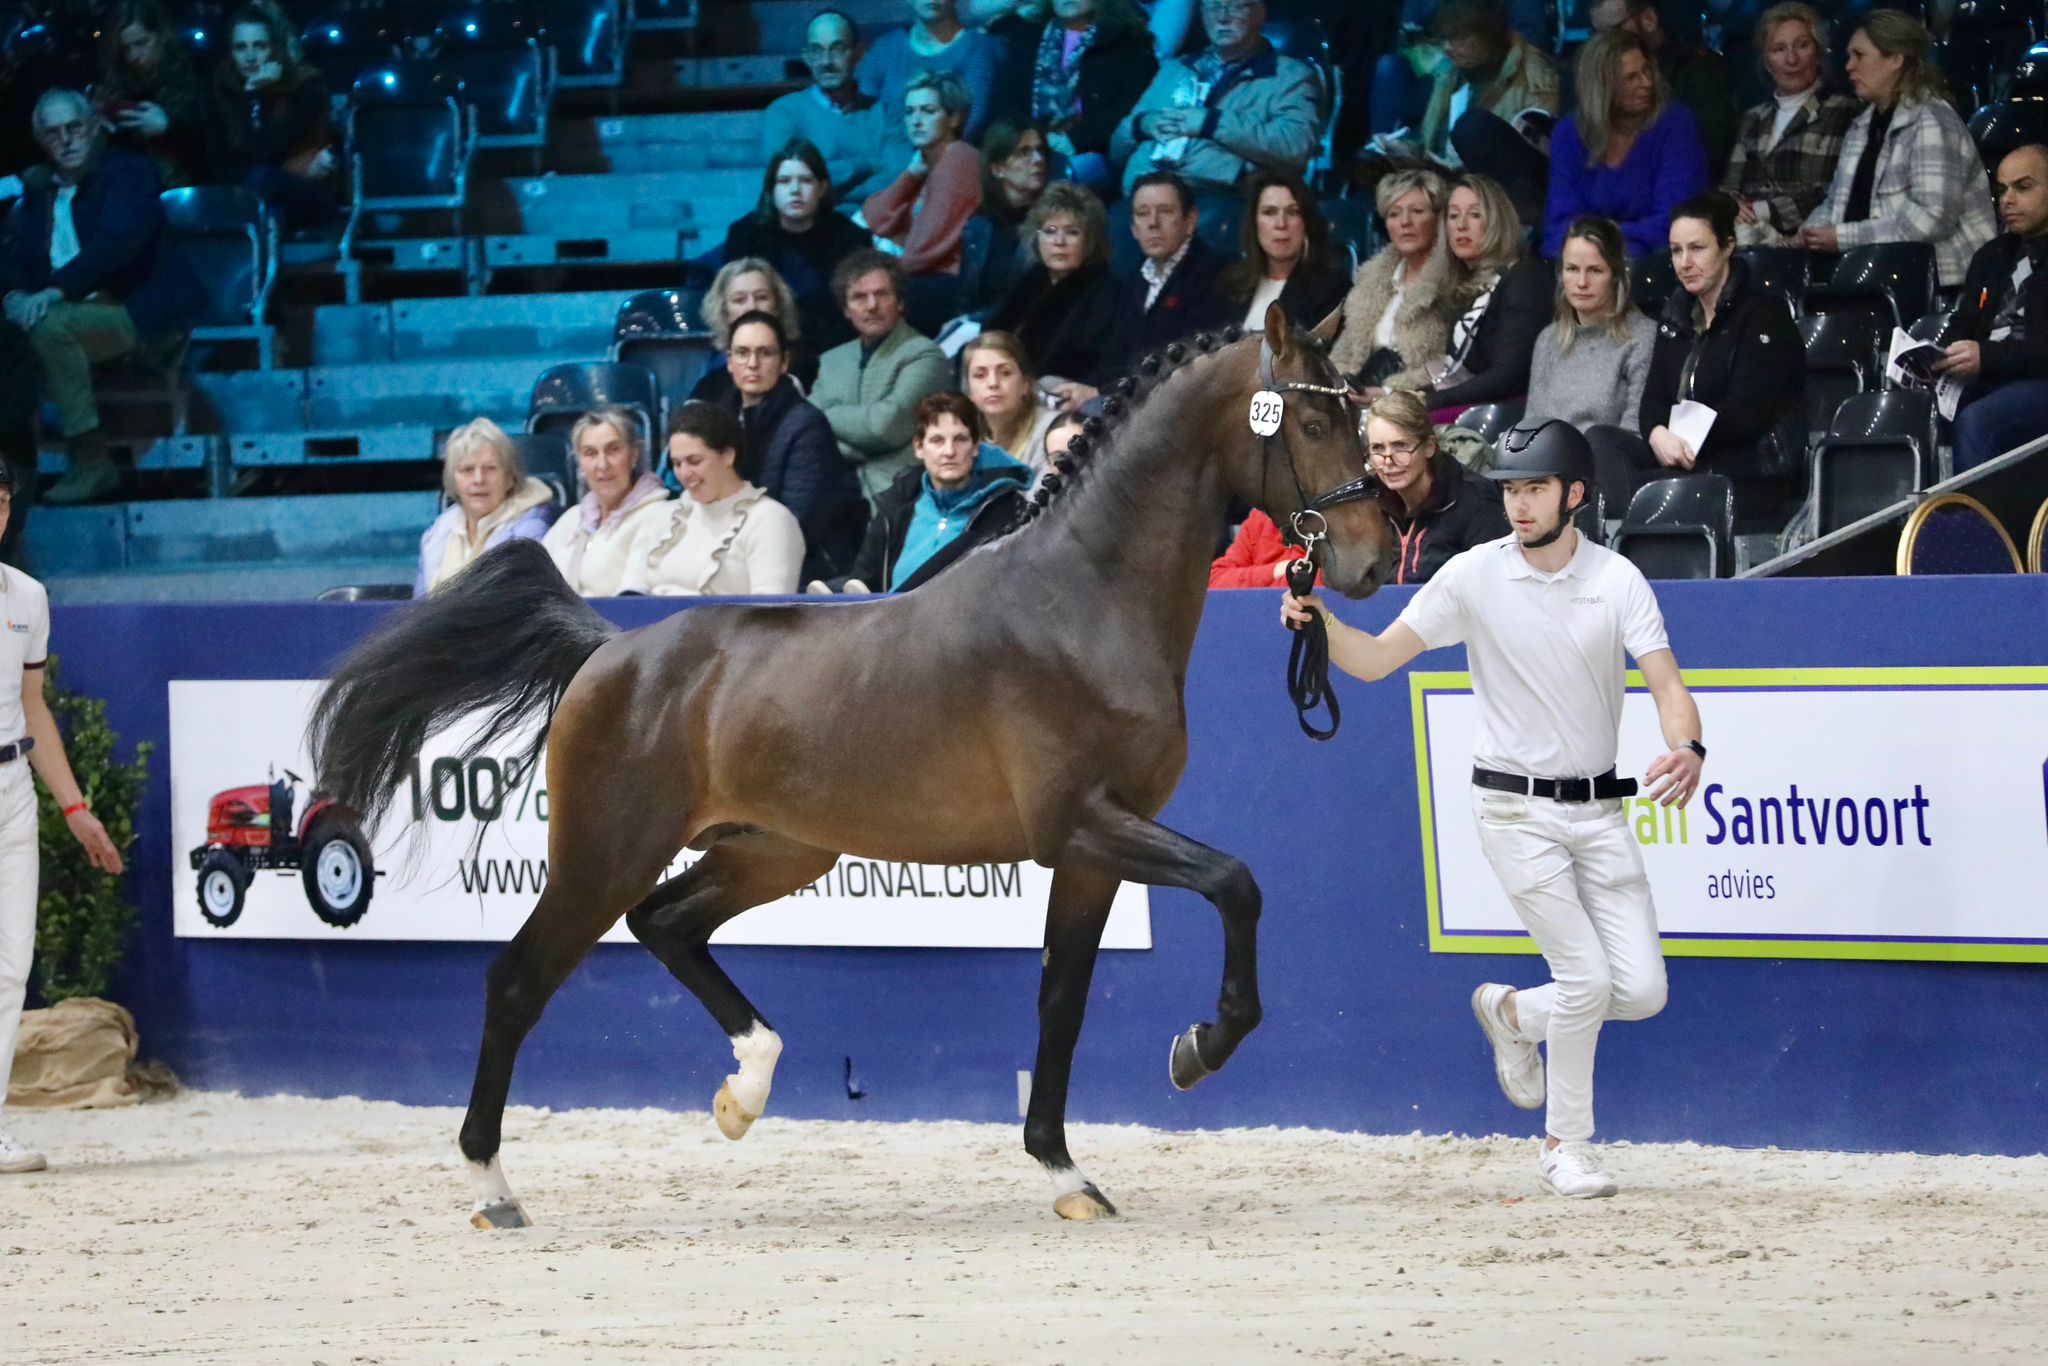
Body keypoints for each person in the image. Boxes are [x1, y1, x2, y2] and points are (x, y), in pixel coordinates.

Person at [1280, 419, 1704, 1200]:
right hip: (1513, 812)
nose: (1519, 504)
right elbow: (1376, 661)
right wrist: (1323, 625)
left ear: (1574, 495)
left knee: (1641, 992)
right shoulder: (1473, 575)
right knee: (1584, 980)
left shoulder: (1618, 580)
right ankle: (1566, 1147)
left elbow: (1667, 683)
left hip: (1600, 813)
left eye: (1536, 488)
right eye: (1511, 490)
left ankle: (1511, 1014)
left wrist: (1689, 747)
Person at [0, 451, 128, 1176]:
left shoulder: (28, 596)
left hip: (12, 783)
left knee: (11, 964)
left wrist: (75, 807)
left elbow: (32, 706)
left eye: (1, 503)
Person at [0, 89, 205, 507]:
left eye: (74, 127)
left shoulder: (128, 172)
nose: (66, 140)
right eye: (53, 132)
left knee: (47, 323)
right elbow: (16, 255)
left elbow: (118, 243)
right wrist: (15, 295)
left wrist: (52, 292)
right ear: (40, 140)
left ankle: (91, 460)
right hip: (68, 311)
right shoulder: (38, 191)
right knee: (23, 328)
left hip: (137, 312)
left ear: (94, 127)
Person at [1799, 10, 1996, 291]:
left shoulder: (1931, 120)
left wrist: (1842, 238)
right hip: (1873, 273)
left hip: (1935, 284)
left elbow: (1932, 218)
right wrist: (1807, 234)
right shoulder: (1860, 126)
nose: (1849, 66)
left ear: (1895, 59)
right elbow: (1835, 204)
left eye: (1859, 55)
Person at [1631, 192, 1804, 481]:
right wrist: (1657, 434)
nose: (1684, 263)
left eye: (1697, 248)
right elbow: (1653, 402)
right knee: (1604, 444)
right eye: (1676, 251)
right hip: (1682, 457)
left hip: (1747, 469)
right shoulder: (1675, 315)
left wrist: (1679, 438)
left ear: (1728, 246)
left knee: (1638, 485)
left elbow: (1745, 415)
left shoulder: (1764, 315)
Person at [1110, 0, 1324, 199]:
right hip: (1141, 195)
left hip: (1217, 197)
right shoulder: (1175, 69)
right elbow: (1116, 149)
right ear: (1201, 13)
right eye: (1213, 6)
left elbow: (1296, 148)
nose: (1222, 17)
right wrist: (1142, 124)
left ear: (1260, 13)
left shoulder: (1289, 76)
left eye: (1236, 6)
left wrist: (1211, 123)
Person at [719, 310, 866, 581]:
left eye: (765, 353)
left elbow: (798, 522)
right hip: (741, 556)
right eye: (742, 353)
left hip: (807, 569)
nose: (752, 363)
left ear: (784, 362)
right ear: (729, 361)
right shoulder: (719, 420)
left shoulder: (807, 424)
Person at [1543, 30, 1708, 261]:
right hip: (1584, 261)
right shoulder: (1569, 132)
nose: (1647, 82)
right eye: (1631, 78)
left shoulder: (1676, 125)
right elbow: (1558, 225)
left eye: (1646, 70)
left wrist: (1601, 239)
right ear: (1602, 87)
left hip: (1657, 262)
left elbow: (1674, 223)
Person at [1932, 145, 2048, 471]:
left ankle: (1969, 508)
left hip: (2039, 381)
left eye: (2023, 187)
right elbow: (1962, 324)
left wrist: (1986, 356)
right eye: (2002, 190)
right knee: (1910, 412)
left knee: (1979, 421)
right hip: (1987, 379)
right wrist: (1939, 357)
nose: (2007, 200)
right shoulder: (1990, 256)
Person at [844, 391, 1031, 592]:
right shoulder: (896, 505)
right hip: (890, 611)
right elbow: (862, 580)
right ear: (919, 447)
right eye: (937, 440)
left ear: (976, 446)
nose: (949, 451)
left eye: (960, 439)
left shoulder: (1004, 508)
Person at [811, 250, 954, 506]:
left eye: (881, 294)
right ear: (846, 309)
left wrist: (827, 415)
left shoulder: (926, 356)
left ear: (900, 302)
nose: (871, 305)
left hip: (900, 500)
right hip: (833, 495)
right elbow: (809, 427)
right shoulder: (831, 361)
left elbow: (884, 427)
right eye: (859, 297)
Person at [619, 402, 805, 597]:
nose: (684, 473)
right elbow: (629, 597)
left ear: (728, 456)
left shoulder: (770, 520)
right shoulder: (659, 516)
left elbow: (771, 610)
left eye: (694, 461)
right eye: (677, 463)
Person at [1720, 3, 1858, 249]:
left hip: (1807, 245)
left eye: (1802, 45)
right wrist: (1732, 207)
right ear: (1767, 61)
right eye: (1779, 49)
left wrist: (1762, 211)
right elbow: (1730, 187)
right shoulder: (1753, 118)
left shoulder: (1843, 111)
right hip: (1746, 241)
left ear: (1818, 53)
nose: (1791, 59)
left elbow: (1830, 192)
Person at [986, 0, 1158, 190]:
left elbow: (1131, 109)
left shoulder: (1127, 42)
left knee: (1060, 174)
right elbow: (1005, 104)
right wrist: (1032, 141)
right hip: (1031, 144)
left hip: (1094, 152)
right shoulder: (1028, 37)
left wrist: (1075, 140)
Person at [721, 140, 874, 351]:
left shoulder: (851, 238)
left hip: (834, 348)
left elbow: (860, 311)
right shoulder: (744, 236)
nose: (795, 190)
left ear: (822, 188)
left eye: (805, 180)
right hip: (761, 345)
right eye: (784, 181)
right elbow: (732, 305)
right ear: (771, 189)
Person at [1416, 0, 1559, 215]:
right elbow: (1432, 145)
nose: (1448, 48)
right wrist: (1410, 150)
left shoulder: (1536, 80)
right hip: (1440, 187)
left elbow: (1534, 169)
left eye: (1459, 38)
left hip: (1498, 203)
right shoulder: (1449, 74)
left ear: (1488, 33)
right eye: (1445, 39)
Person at [986, 181, 1121, 405]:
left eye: (1072, 232)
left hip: (1062, 397)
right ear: (1036, 237)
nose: (1059, 242)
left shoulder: (1106, 291)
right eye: (1050, 231)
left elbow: (1090, 364)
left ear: (1090, 240)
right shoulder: (1032, 278)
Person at [1426, 174, 1552, 414]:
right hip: (1467, 405)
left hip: (1503, 413)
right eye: (1453, 215)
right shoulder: (1463, 285)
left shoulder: (1525, 278)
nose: (1461, 225)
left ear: (1498, 221)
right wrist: (1394, 395)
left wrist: (1429, 402)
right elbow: (1454, 374)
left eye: (1475, 215)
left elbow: (1508, 376)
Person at [1096, 170, 1234, 381]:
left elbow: (1189, 365)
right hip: (1125, 393)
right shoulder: (1134, 276)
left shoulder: (1214, 272)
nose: (1153, 222)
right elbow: (1114, 358)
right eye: (1142, 213)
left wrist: (1105, 391)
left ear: (1191, 220)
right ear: (1134, 229)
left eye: (1166, 211)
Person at [211, 1, 337, 232]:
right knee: (271, 215)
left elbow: (264, 153)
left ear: (275, 49)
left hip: (306, 190)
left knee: (262, 177)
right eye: (241, 47)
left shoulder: (304, 88)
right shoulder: (221, 90)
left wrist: (253, 95)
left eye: (259, 46)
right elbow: (219, 162)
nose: (250, 57)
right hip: (254, 195)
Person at [1525, 215, 1656, 431]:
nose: (1582, 282)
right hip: (1546, 451)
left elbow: (1634, 433)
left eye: (1595, 270)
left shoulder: (1643, 338)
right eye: (1572, 269)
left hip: (1607, 452)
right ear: (1560, 274)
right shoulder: (1548, 339)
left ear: (1615, 275)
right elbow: (1531, 427)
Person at [1366, 389, 1513, 582]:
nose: (1388, 461)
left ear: (1429, 447)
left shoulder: (1479, 502)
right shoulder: (1369, 504)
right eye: (1378, 448)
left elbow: (1493, 587)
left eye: (1400, 446)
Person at [1331, 167, 1455, 397]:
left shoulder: (1454, 282)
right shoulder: (1370, 279)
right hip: (1355, 398)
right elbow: (1343, 354)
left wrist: (1388, 393)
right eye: (1394, 214)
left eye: (1417, 211)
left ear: (1438, 218)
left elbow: (1455, 365)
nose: (1405, 222)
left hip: (1415, 404)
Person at [413, 418, 559, 597]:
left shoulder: (532, 529)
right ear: (452, 479)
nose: (479, 479)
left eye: (491, 468)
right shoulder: (436, 534)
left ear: (510, 478)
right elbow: (419, 605)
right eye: (467, 470)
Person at [862, 70, 983, 281]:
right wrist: (910, 175)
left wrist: (884, 274)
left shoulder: (958, 159)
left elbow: (923, 250)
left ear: (954, 118)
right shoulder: (923, 163)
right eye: (909, 112)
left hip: (945, 281)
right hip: (920, 275)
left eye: (928, 111)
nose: (916, 121)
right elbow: (873, 219)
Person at [1588, 0, 1736, 173]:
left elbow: (1707, 147)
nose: (1603, 43)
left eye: (1613, 31)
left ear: (1649, 19)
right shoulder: (1597, 78)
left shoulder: (1700, 71)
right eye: (1596, 33)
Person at [540, 407, 673, 596]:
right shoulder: (571, 519)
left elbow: (633, 600)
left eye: (613, 450)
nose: (602, 465)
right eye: (590, 453)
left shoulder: (658, 516)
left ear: (634, 454)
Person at [760, 11, 890, 204]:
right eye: (817, 51)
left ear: (859, 53)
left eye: (837, 49)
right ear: (807, 57)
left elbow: (897, 180)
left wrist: (818, 183)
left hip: (874, 220)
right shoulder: (783, 113)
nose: (826, 61)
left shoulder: (886, 113)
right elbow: (786, 183)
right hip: (811, 223)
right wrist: (867, 165)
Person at [1218, 169, 1352, 335]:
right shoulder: (1232, 283)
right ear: (1254, 223)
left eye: (1293, 212)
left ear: (1307, 223)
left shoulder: (1332, 289)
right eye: (1269, 212)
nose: (1281, 224)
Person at [96, 0, 212, 190]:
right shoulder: (117, 80)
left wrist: (168, 127)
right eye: (126, 48)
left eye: (141, 43)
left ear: (161, 35)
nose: (134, 55)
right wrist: (101, 128)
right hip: (131, 182)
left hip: (186, 185)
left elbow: (210, 145)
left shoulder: (190, 74)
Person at [857, 0, 1001, 149]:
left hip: (944, 157)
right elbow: (860, 111)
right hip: (882, 156)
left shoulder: (976, 49)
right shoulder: (886, 48)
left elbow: (973, 122)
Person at [956, 119, 1051, 320]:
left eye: (1040, 151)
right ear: (998, 169)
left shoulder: (1052, 225)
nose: (1038, 159)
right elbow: (966, 299)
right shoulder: (978, 228)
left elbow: (1033, 303)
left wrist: (976, 321)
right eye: (1024, 153)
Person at [691, 259, 814, 404]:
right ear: (724, 311)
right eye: (739, 300)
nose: (751, 307)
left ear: (778, 305)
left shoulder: (806, 370)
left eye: (762, 297)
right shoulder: (710, 385)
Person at [962, 330, 1056, 477]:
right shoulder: (968, 443)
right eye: (980, 375)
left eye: (1005, 373)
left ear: (1025, 384)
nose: (993, 383)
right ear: (969, 391)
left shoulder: (1050, 433)